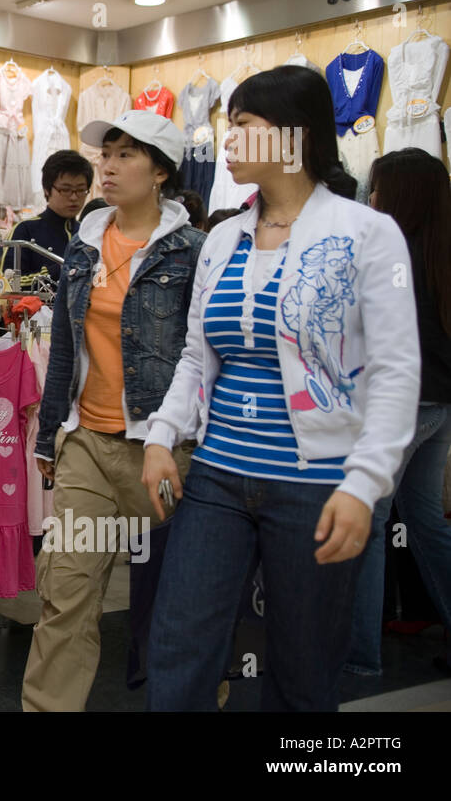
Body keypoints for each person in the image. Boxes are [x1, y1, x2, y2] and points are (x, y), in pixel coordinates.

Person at [140, 65, 421, 711]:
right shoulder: (224, 239)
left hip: (316, 485)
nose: (228, 140)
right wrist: (163, 435)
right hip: (215, 478)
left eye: (242, 124)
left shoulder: (367, 233)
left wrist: (363, 483)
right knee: (179, 647)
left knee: (302, 671)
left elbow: (396, 369)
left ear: (292, 135)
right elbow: (195, 356)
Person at [21, 109, 205, 712]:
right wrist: (49, 436)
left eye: (127, 154)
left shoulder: (194, 252)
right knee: (66, 593)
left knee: (184, 605)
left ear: (160, 172)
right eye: (108, 152)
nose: (109, 165)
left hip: (166, 449)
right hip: (88, 449)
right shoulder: (84, 242)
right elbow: (69, 349)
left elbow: (204, 353)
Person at [346, 148, 451, 677]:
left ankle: (360, 658)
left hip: (401, 407)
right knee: (426, 523)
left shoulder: (389, 256)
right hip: (438, 406)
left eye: (379, 187)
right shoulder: (437, 251)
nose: (372, 196)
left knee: (369, 524)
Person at [4, 150, 94, 281]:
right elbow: (7, 283)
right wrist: (58, 270)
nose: (74, 197)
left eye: (81, 190)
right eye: (66, 190)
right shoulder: (25, 230)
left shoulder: (87, 233)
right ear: (47, 189)